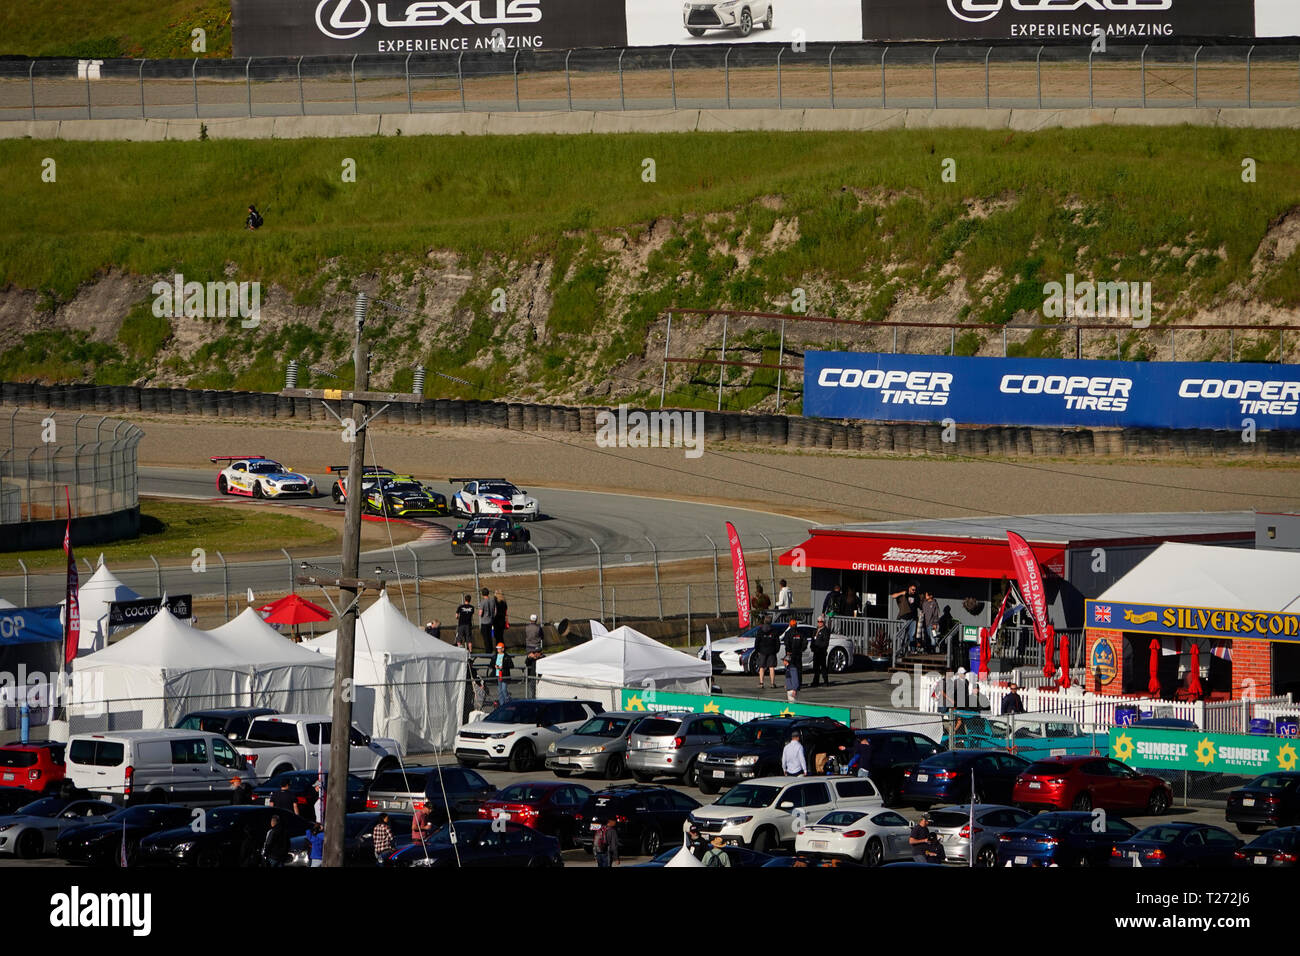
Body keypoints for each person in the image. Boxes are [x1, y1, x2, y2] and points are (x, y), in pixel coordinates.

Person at [891, 584, 921, 652]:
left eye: (915, 590)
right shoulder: (904, 595)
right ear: (909, 588)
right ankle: (900, 651)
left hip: (913, 619)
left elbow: (920, 605)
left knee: (912, 636)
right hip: (904, 618)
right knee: (902, 636)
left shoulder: (916, 596)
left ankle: (912, 651)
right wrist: (902, 593)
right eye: (913, 589)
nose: (914, 591)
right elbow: (893, 596)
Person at [754, 622, 781, 690]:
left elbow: (757, 642)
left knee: (761, 667)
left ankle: (761, 683)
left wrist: (757, 650)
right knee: (771, 667)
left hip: (762, 651)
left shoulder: (760, 630)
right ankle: (772, 683)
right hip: (772, 651)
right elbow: (777, 642)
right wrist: (776, 650)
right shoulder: (774, 630)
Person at [810, 615, 832, 688]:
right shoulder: (815, 630)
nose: (819, 623)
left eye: (821, 622)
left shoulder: (825, 631)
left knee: (823, 667)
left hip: (821, 651)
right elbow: (813, 640)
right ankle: (816, 681)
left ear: (824, 622)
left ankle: (826, 681)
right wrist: (812, 647)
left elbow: (825, 642)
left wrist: (820, 647)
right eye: (818, 621)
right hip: (816, 652)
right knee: (815, 667)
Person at [493, 641, 513, 706]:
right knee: (500, 691)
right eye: (497, 648)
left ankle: (508, 702)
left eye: (499, 648)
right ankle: (502, 705)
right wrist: (494, 665)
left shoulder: (507, 656)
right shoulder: (495, 655)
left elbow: (511, 665)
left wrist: (503, 666)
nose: (498, 649)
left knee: (504, 689)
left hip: (504, 675)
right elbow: (491, 663)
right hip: (498, 674)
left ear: (503, 649)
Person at [478, 587, 496, 652]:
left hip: (484, 622)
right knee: (490, 637)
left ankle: (488, 651)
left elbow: (480, 613)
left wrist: (480, 613)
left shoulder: (482, 602)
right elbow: (495, 611)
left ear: (482, 594)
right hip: (491, 621)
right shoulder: (492, 601)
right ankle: (491, 650)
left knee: (485, 638)